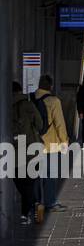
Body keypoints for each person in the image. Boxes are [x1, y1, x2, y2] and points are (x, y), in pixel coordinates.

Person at [32, 74, 69, 222]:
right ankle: (50, 203)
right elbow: (59, 124)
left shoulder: (31, 99)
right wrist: (64, 142)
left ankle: (37, 202)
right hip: (51, 145)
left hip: (33, 144)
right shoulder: (54, 101)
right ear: (51, 86)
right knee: (50, 176)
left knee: (36, 176)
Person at [10, 81, 41, 225]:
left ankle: (29, 208)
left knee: (19, 181)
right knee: (29, 183)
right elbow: (40, 124)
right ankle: (27, 211)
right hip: (31, 151)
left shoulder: (4, 107)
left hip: (11, 153)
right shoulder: (28, 105)